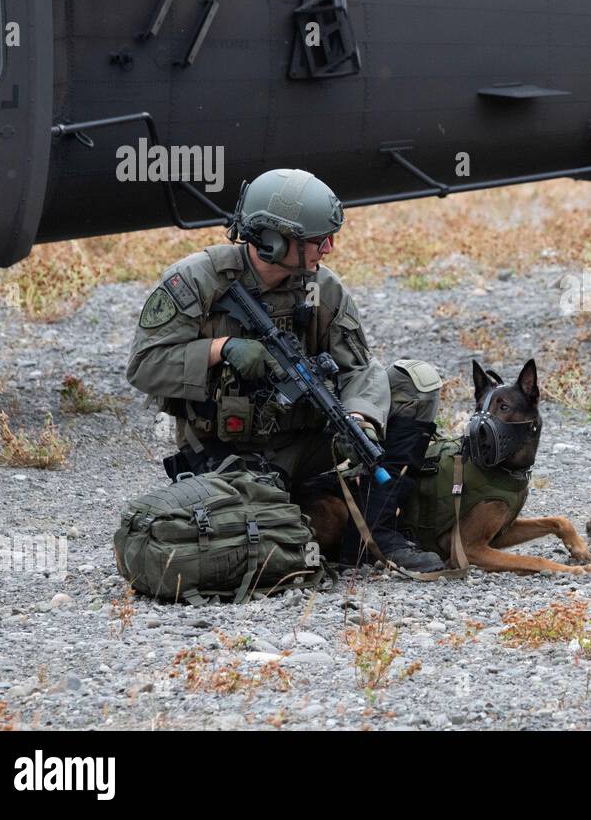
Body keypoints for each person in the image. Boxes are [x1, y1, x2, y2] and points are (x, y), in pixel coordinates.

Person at [126, 168, 444, 571]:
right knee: (252, 539)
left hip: (306, 442)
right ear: (273, 240)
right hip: (229, 455)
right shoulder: (196, 281)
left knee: (412, 384)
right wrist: (220, 349)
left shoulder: (322, 288)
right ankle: (296, 523)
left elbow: (359, 368)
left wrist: (360, 419)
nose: (328, 249)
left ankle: (375, 535)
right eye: (318, 240)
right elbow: (143, 365)